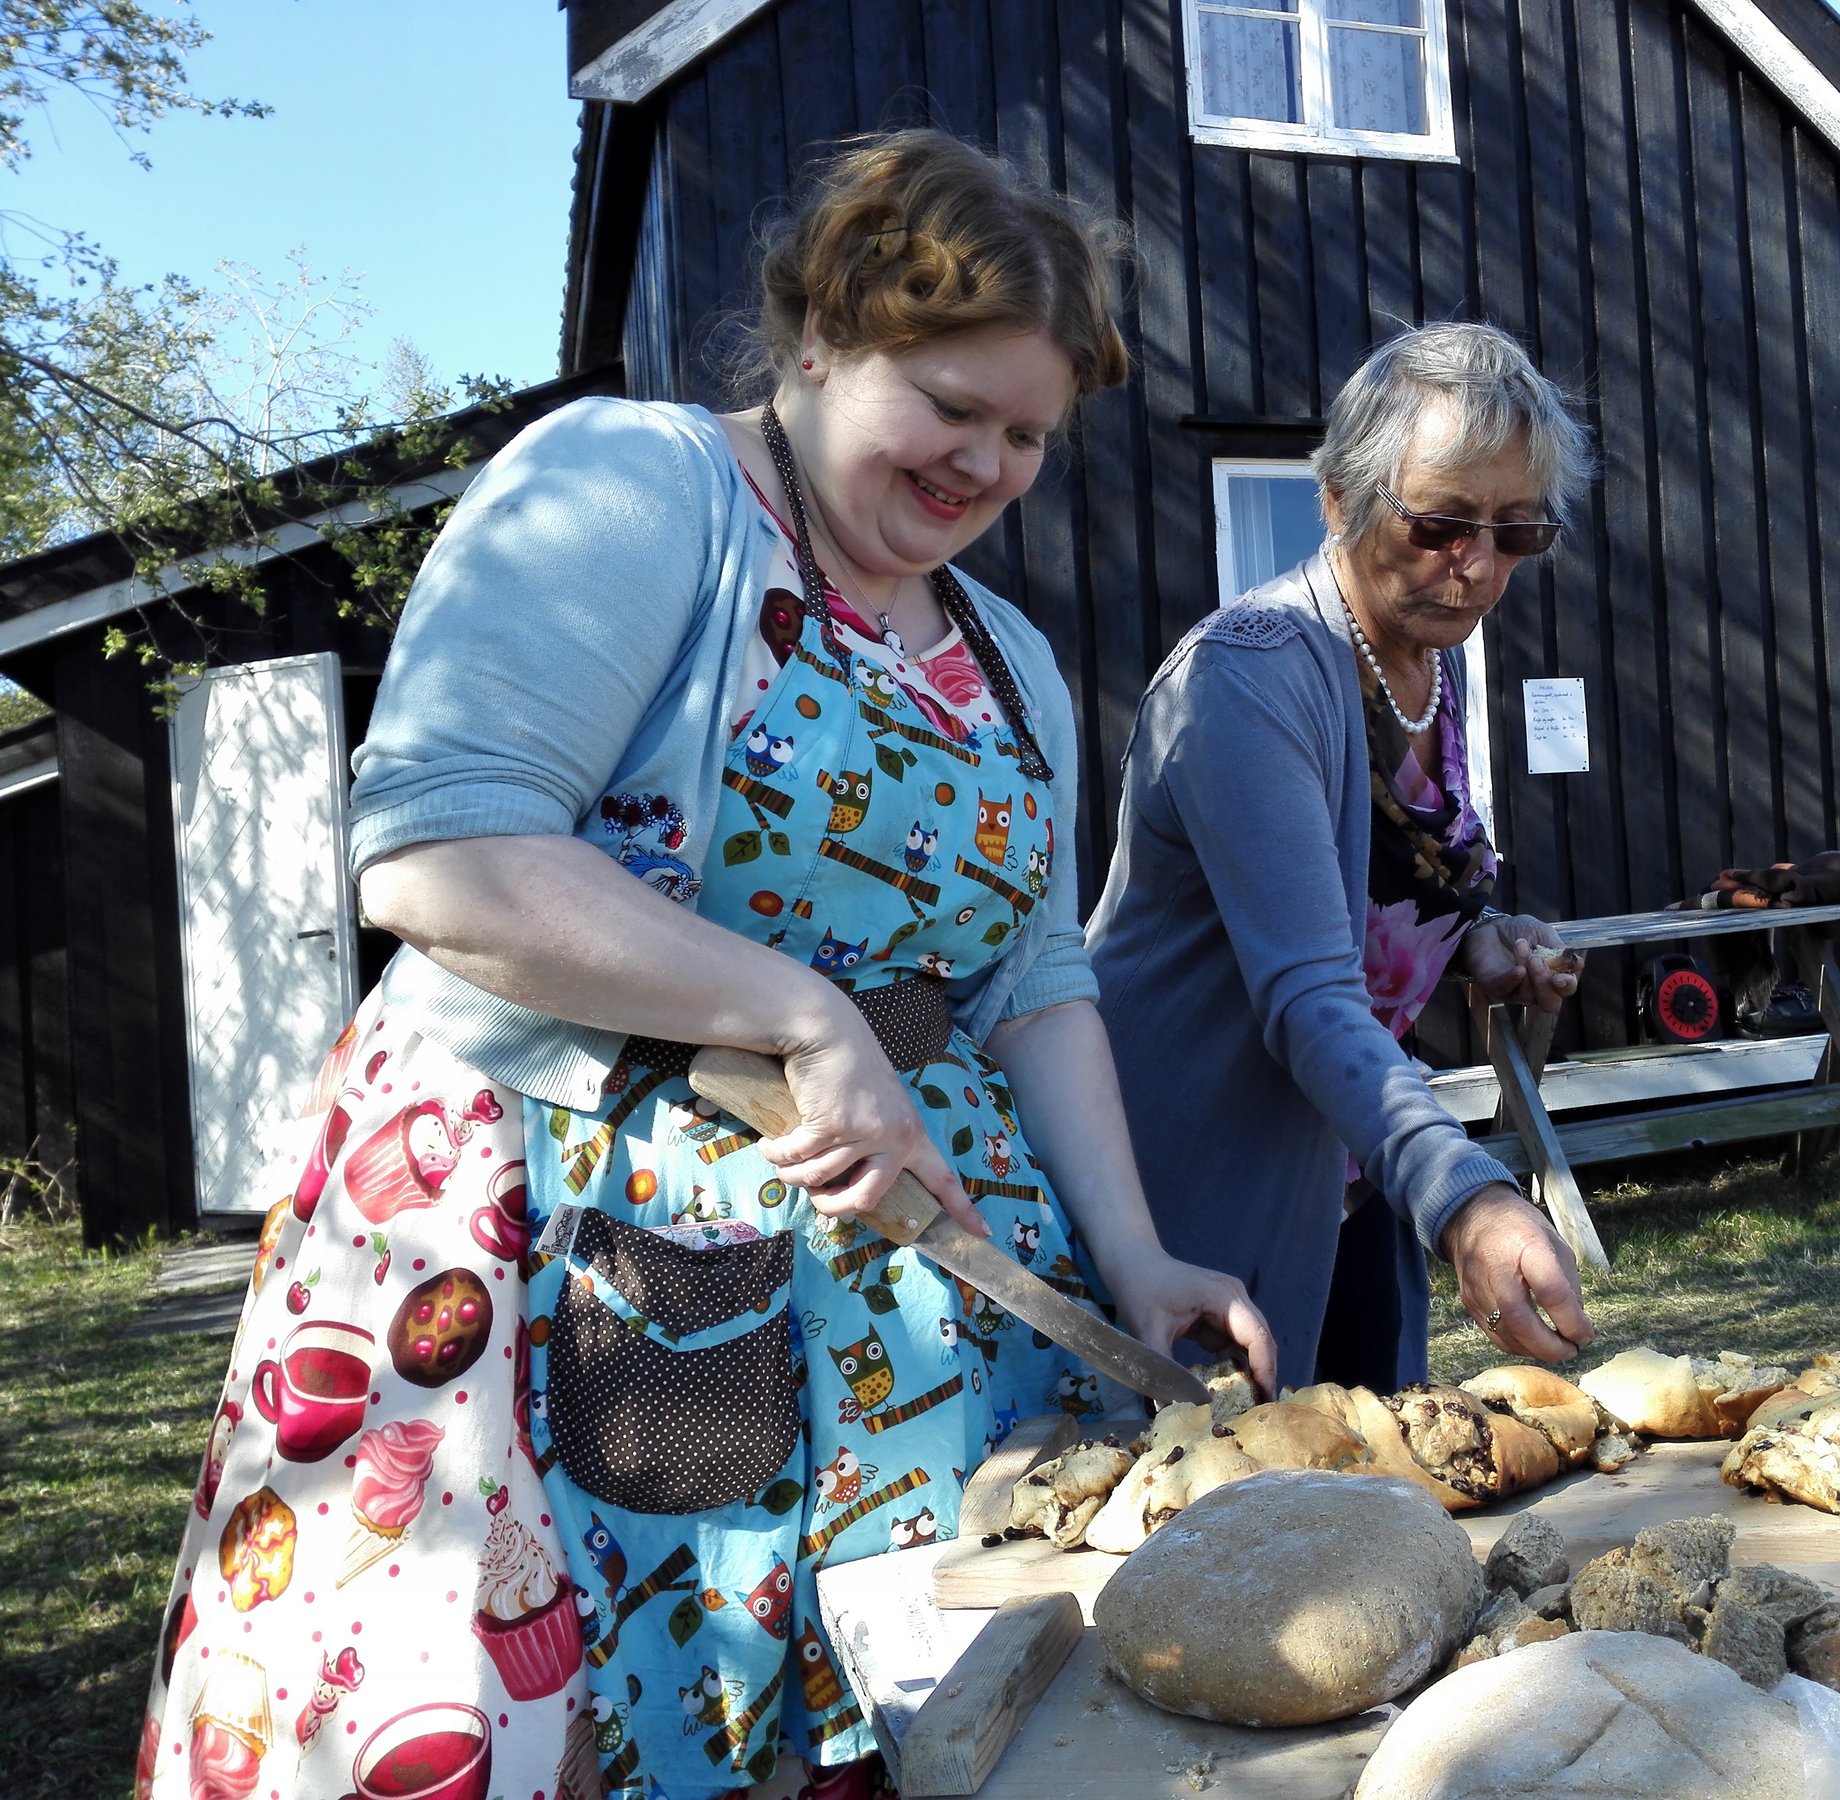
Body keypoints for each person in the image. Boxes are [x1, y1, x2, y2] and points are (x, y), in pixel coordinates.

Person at [136, 129, 1273, 1800]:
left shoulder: (1011, 659)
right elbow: (441, 849)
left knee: (930, 1721)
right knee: (551, 1716)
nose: (986, 467)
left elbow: (1031, 981)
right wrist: (795, 1010)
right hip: (556, 1259)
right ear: (821, 339)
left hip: (928, 1308)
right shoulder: (637, 489)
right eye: (951, 407)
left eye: (1027, 434)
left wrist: (1139, 1252)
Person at [1087, 321, 1596, 1393]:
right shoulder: (1253, 676)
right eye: (1441, 523)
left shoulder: (1424, 661)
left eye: (1517, 534)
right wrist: (1466, 1192)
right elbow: (1311, 990)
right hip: (1196, 1193)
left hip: (1356, 1174)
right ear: (1339, 501)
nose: (1476, 566)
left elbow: (1376, 894)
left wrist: (1481, 945)